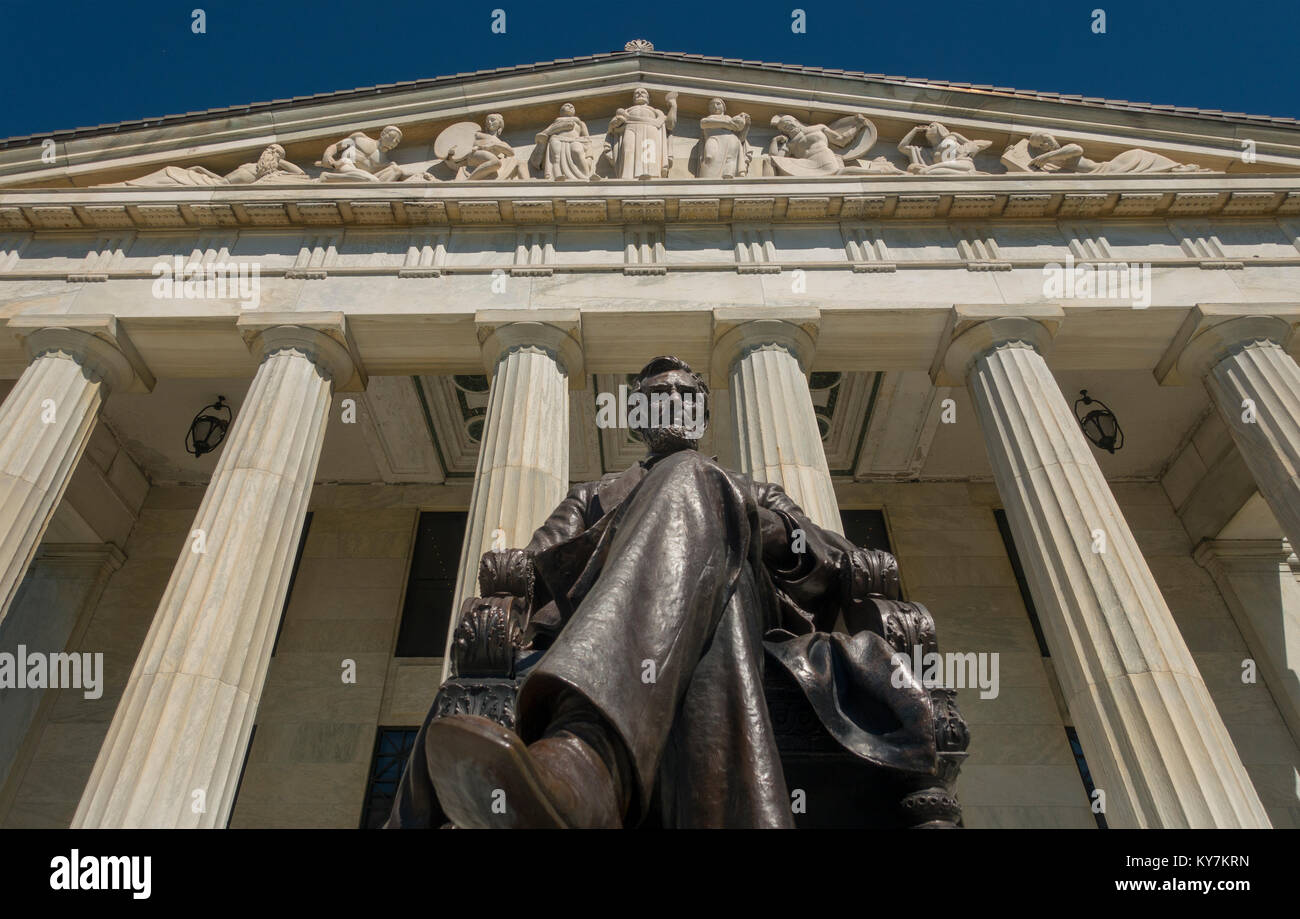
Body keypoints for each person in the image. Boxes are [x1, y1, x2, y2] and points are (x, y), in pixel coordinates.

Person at [417, 356, 938, 828]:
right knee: (713, 606)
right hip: (686, 634)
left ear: (703, 417)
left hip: (752, 623)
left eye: (687, 396)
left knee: (695, 481)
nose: (674, 403)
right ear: (637, 418)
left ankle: (589, 753)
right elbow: (530, 567)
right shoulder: (590, 496)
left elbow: (827, 554)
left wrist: (736, 515)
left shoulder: (753, 491)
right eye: (658, 395)